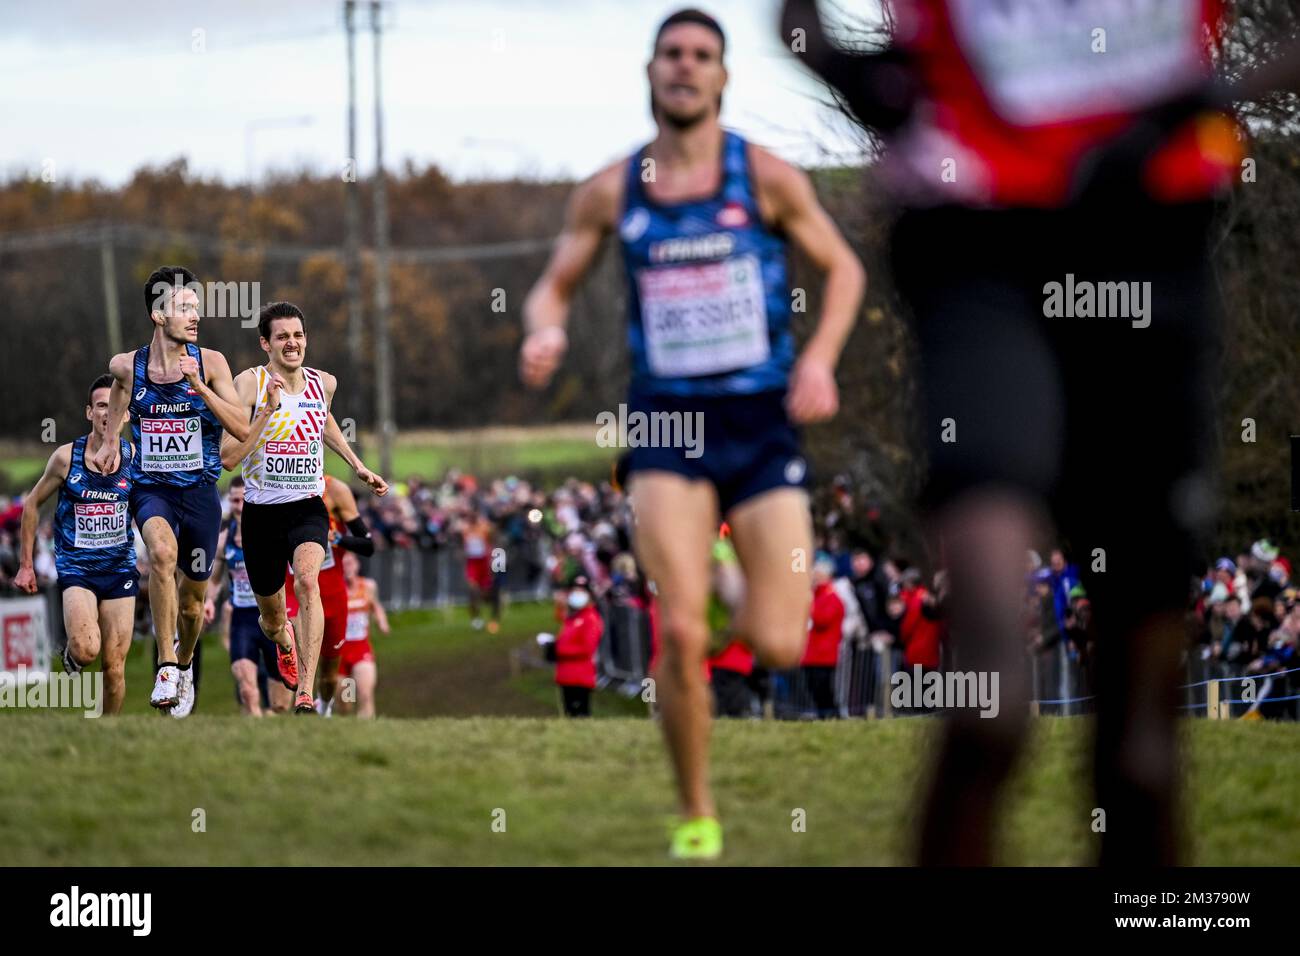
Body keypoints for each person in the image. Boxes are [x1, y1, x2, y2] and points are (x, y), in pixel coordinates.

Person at [780, 0, 1300, 864]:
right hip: (976, 241)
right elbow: (793, 17)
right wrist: (848, 70)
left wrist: (1215, 91)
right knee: (990, 713)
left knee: (1141, 763)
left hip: (1148, 232)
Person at [520, 7, 865, 860]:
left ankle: (728, 578)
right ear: (650, 73)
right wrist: (544, 330)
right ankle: (697, 815)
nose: (685, 67)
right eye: (671, 54)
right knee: (680, 632)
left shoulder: (768, 178)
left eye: (702, 55)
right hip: (666, 424)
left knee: (780, 640)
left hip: (758, 425)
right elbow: (552, 285)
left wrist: (819, 360)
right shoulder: (611, 189)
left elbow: (845, 267)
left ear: (722, 77)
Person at [94, 265, 253, 716]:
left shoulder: (212, 363)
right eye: (183, 308)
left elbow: (241, 428)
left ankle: (183, 667)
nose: (194, 316)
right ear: (158, 316)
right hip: (151, 489)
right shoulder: (126, 366)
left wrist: (200, 388)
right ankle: (166, 664)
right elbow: (121, 395)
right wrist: (110, 442)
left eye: (196, 308)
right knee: (161, 555)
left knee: (192, 605)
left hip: (200, 493)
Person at [221, 302, 388, 714]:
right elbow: (228, 455)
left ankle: (306, 692)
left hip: (307, 507)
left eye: (298, 335)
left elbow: (324, 419)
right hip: (261, 514)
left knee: (307, 582)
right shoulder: (249, 384)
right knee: (273, 620)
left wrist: (358, 466)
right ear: (266, 343)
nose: (292, 343)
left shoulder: (323, 383)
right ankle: (284, 645)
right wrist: (266, 412)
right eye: (282, 336)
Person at [15, 376, 137, 714]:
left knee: (114, 668)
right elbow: (30, 504)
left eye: (114, 407)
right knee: (86, 650)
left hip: (120, 571)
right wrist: (27, 565)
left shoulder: (135, 458)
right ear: (89, 412)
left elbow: (148, 511)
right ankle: (70, 655)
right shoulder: (65, 458)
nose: (107, 413)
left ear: (125, 414)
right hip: (78, 570)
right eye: (100, 406)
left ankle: (107, 733)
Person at [282, 474, 375, 716]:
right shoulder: (276, 484)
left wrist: (338, 538)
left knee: (329, 673)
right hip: (295, 587)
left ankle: (324, 705)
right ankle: (302, 700)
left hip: (333, 594)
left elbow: (368, 545)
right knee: (293, 640)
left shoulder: (335, 490)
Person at [204, 476, 293, 716]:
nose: (239, 506)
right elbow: (215, 579)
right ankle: (253, 725)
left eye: (243, 500)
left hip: (271, 618)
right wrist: (210, 600)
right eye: (234, 501)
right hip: (242, 620)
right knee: (247, 690)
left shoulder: (271, 534)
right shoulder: (223, 540)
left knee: (281, 704)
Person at [337, 551, 388, 719]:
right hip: (340, 655)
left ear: (357, 565)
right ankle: (348, 730)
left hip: (361, 652)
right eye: (344, 564)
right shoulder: (335, 590)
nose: (348, 567)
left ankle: (368, 731)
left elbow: (376, 606)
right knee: (346, 702)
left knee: (365, 695)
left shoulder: (368, 586)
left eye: (351, 563)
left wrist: (381, 621)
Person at [553, 575, 603, 717]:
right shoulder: (573, 617)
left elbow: (587, 648)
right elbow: (559, 617)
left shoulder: (590, 618)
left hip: (580, 676)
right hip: (566, 674)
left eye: (581, 591)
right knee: (569, 713)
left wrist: (560, 650)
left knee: (579, 714)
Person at [802, 557, 844, 718]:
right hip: (813, 654)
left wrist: (809, 604)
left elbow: (822, 619)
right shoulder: (818, 596)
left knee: (823, 690)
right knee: (814, 689)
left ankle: (832, 716)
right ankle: (824, 716)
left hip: (823, 655)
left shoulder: (832, 598)